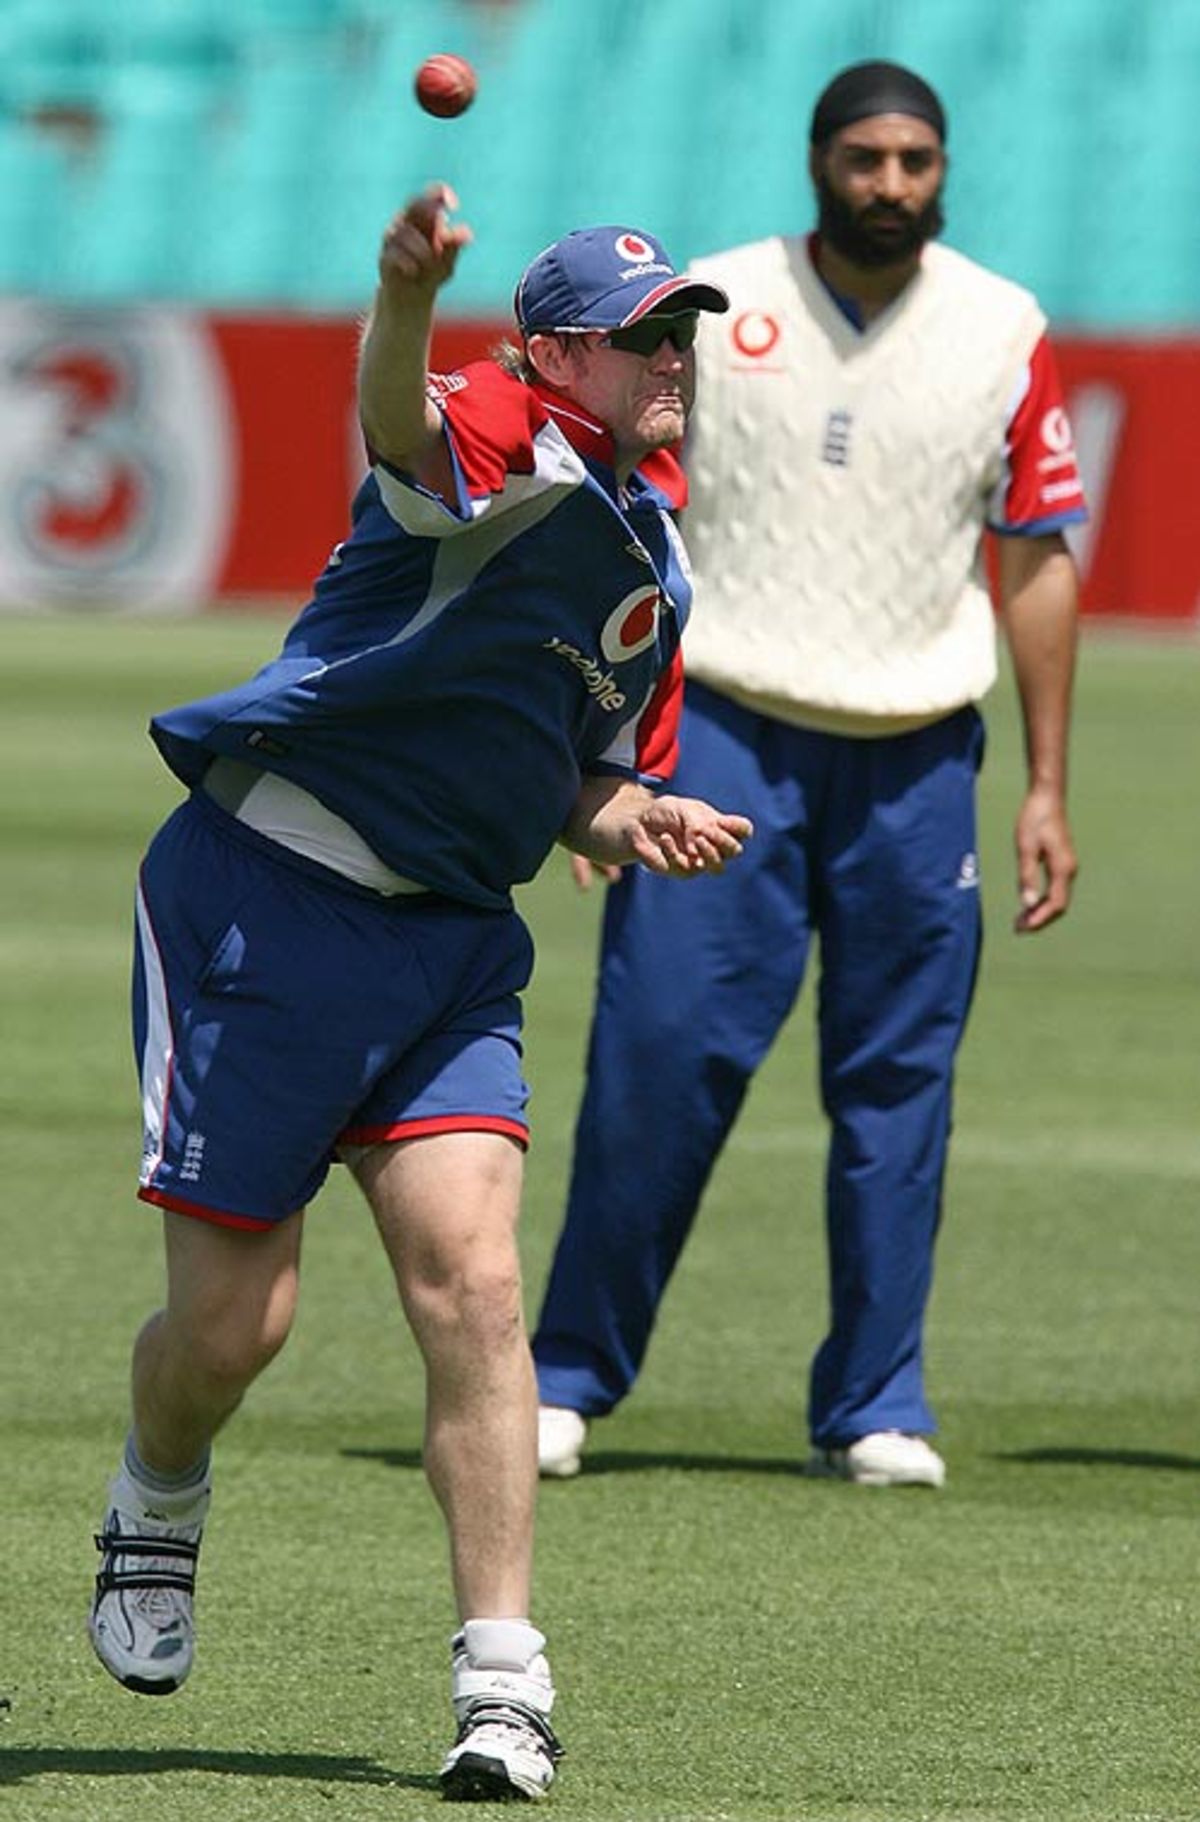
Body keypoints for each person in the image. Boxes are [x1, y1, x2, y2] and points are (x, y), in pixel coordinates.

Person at [86, 182, 749, 1802]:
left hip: (452, 942)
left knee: (474, 1285)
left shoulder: (657, 559)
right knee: (239, 1329)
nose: (675, 355)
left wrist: (628, 813)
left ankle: (502, 1681)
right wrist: (400, 294)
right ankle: (159, 1484)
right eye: (641, 335)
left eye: (684, 332)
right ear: (552, 353)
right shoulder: (494, 437)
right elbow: (393, 421)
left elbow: (585, 782)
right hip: (267, 900)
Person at [533, 61, 1087, 1489]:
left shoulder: (1002, 327)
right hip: (720, 727)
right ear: (817, 161)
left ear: (941, 170)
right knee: (657, 1060)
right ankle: (569, 1376)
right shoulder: (713, 304)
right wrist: (602, 756)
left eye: (914, 159)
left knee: (899, 1084)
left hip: (914, 751)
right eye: (864, 158)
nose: (889, 182)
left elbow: (1033, 559)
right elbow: (615, 526)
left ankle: (874, 1402)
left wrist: (1044, 784)